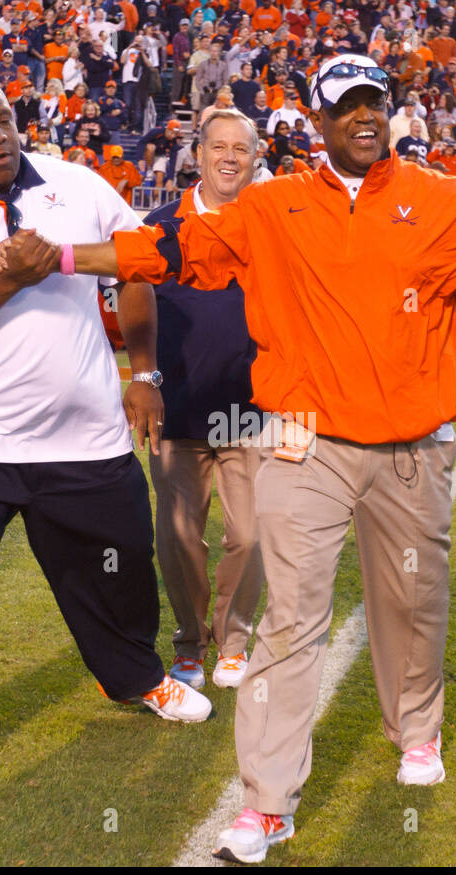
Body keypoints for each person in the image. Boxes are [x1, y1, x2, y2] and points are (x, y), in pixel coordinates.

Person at [42, 54, 456, 863]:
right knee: (292, 616)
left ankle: (415, 730)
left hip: (412, 445)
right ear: (318, 122)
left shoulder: (444, 202)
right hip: (302, 438)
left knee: (414, 603)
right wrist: (56, 259)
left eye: (378, 103)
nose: (367, 117)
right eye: (348, 107)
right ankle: (268, 802)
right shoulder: (276, 206)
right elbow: (170, 248)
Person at [0, 77, 212, 788]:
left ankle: (136, 678)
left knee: (120, 567)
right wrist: (12, 278)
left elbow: (137, 265)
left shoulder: (78, 185)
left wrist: (145, 373)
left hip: (85, 434)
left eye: (4, 119)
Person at [145, 108, 262, 691]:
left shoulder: (272, 228)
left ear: (256, 158)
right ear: (198, 154)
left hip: (252, 414)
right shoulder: (161, 224)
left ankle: (235, 637)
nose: (229, 157)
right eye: (218, 146)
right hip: (178, 411)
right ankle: (190, 642)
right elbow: (132, 308)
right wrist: (142, 382)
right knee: (179, 535)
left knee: (252, 533)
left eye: (240, 148)